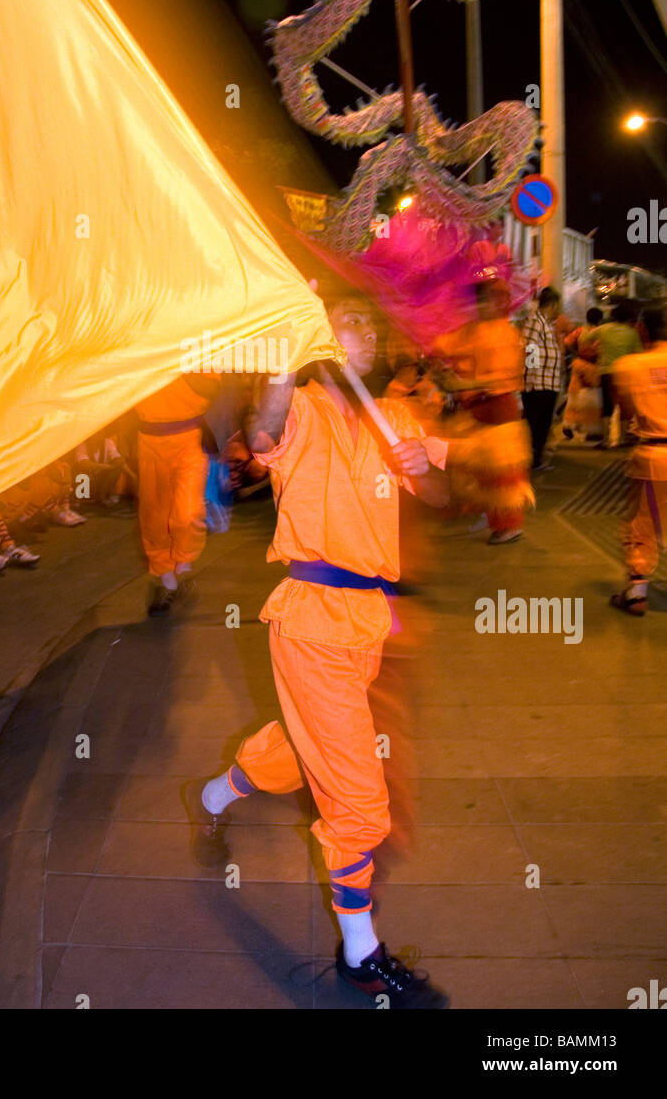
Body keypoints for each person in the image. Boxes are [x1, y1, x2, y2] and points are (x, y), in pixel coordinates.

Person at [185, 288, 451, 1006]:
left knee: (305, 748)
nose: (354, 332)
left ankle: (211, 796)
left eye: (363, 322)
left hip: (369, 621)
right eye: (338, 324)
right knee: (360, 802)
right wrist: (280, 362)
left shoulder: (392, 413)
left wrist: (421, 470)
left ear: (377, 342)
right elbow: (263, 431)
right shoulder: (301, 404)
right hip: (309, 621)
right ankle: (360, 953)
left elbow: (439, 500)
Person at [431, 277, 529, 544]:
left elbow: (501, 378)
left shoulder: (506, 333)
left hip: (498, 415)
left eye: (486, 300)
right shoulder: (469, 330)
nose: (481, 306)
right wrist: (440, 367)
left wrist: (461, 382)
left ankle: (508, 525)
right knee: (475, 471)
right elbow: (441, 348)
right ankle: (490, 516)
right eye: (477, 302)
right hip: (473, 413)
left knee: (503, 476)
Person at [135, 374, 219, 617]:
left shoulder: (196, 342)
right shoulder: (138, 340)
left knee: (187, 512)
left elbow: (211, 387)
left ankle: (183, 567)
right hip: (147, 439)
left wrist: (175, 360)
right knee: (154, 518)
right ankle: (168, 582)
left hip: (189, 438)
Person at [610, 308, 667, 615]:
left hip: (653, 455)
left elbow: (628, 412)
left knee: (642, 524)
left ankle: (637, 593)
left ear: (643, 331)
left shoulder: (630, 366)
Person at [521, 286, 563, 470]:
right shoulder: (536, 321)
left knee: (543, 424)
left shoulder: (545, 322)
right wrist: (530, 380)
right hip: (538, 384)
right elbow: (530, 349)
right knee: (537, 425)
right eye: (559, 306)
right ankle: (534, 459)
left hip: (547, 382)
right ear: (553, 305)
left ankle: (537, 458)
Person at [593, 300, 642, 447]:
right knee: (624, 407)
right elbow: (638, 354)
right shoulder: (632, 333)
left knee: (607, 407)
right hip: (624, 373)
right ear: (629, 318)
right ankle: (622, 439)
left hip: (605, 372)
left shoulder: (602, 329)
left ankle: (606, 440)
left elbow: (585, 338)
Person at [561, 308, 603, 441]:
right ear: (600, 319)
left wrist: (576, 352)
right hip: (593, 368)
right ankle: (591, 430)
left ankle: (569, 424)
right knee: (591, 401)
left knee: (574, 397)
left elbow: (566, 342)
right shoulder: (600, 333)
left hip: (578, 365)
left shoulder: (579, 331)